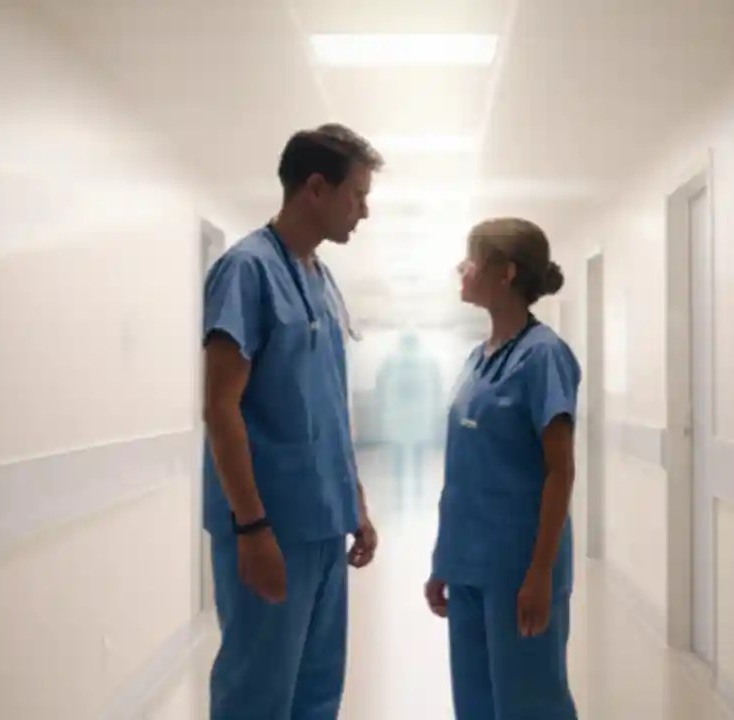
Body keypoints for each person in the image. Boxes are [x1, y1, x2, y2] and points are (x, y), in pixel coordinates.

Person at [202, 123, 383, 720]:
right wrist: (251, 529)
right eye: (357, 194)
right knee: (258, 692)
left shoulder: (322, 279)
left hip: (324, 523)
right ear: (314, 188)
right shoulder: (246, 270)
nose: (364, 210)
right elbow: (220, 406)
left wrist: (354, 498)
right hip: (271, 526)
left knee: (316, 691)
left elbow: (328, 400)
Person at [425, 218, 580, 720]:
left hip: (519, 566)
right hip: (469, 561)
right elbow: (465, 471)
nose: (461, 269)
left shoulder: (544, 357)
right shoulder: (477, 358)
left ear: (505, 274)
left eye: (471, 259)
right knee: (475, 702)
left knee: (529, 702)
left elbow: (561, 472)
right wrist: (443, 560)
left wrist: (539, 574)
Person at [375, 331, 443, 495]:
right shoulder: (424, 359)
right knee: (411, 452)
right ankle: (411, 486)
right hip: (413, 414)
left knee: (406, 452)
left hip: (404, 415)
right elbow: (437, 384)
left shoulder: (393, 359)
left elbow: (381, 382)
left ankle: (407, 487)